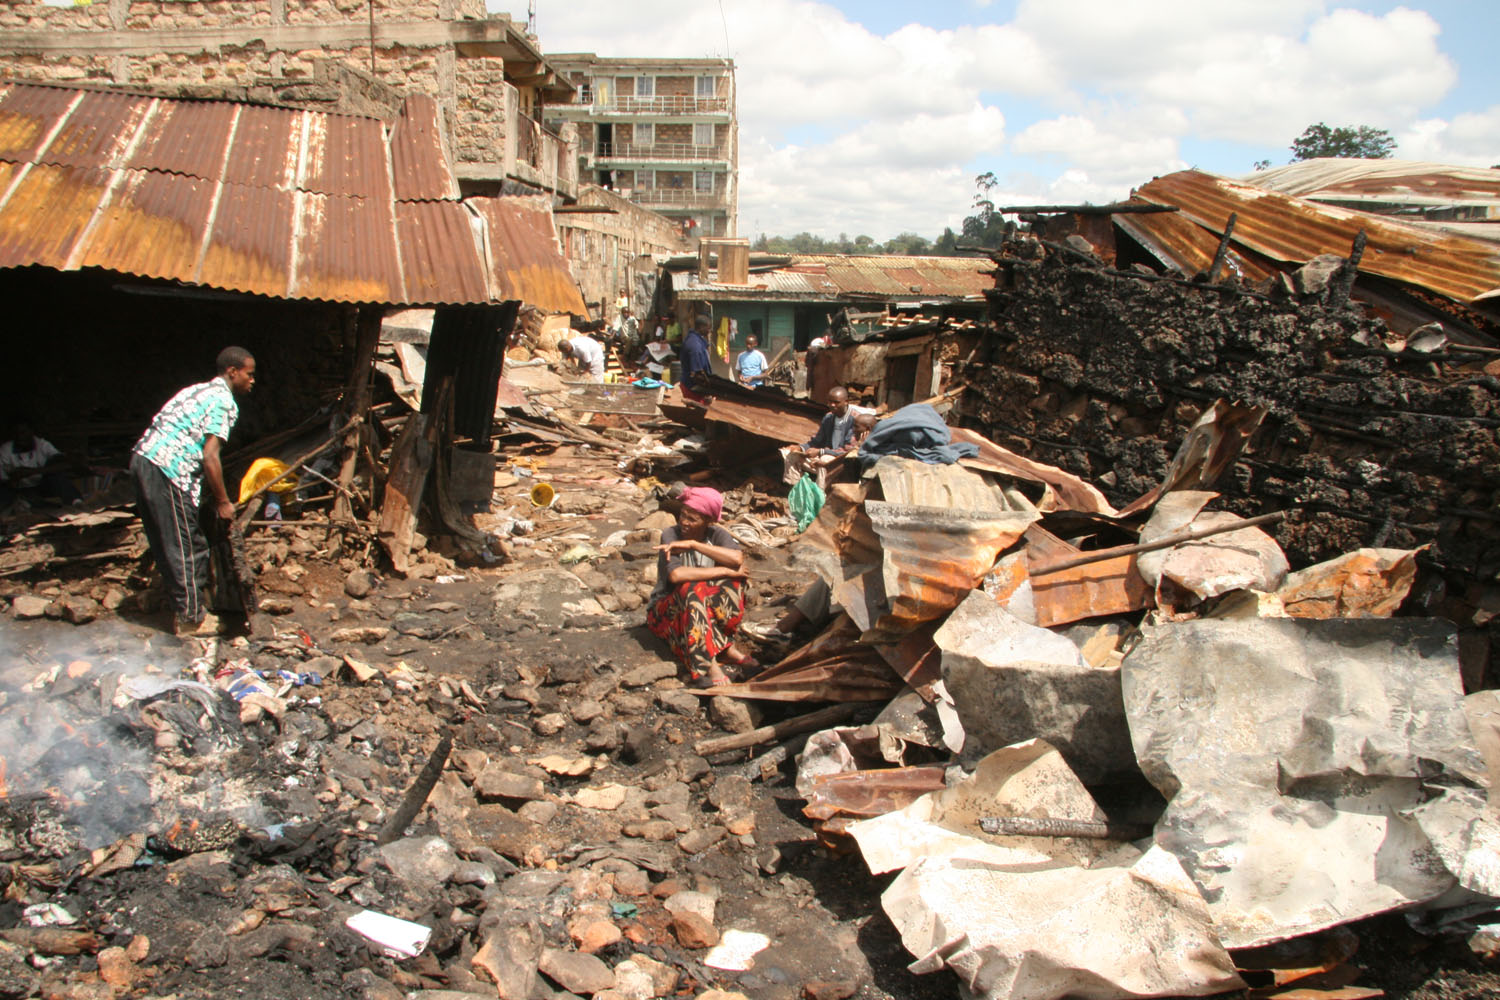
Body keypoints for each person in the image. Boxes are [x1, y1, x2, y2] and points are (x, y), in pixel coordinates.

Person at [131, 346, 256, 637]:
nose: (252, 381)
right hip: (170, 469)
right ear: (232, 372)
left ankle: (182, 607)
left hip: (143, 460)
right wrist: (224, 502)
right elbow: (210, 456)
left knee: (166, 542)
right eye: (249, 375)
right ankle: (191, 619)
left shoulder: (195, 391)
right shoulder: (225, 402)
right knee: (188, 545)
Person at [646, 487, 757, 688]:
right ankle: (709, 663)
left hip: (702, 608)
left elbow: (737, 559)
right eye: (683, 515)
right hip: (666, 611)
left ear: (708, 521)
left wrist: (694, 545)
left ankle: (725, 646)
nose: (684, 522)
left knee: (734, 584)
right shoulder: (670, 534)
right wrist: (727, 571)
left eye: (692, 519)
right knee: (691, 588)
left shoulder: (716, 534)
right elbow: (676, 575)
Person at [0, 420, 81, 509]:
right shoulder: (6, 449)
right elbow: (5, 480)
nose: (20, 436)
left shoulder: (42, 444)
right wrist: (15, 477)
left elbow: (64, 464)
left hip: (42, 486)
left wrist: (32, 472)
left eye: (23, 432)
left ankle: (77, 502)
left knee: (57, 477)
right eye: (16, 433)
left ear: (31, 432)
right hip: (20, 490)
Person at [679, 316, 713, 402]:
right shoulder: (695, 346)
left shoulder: (693, 339)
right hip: (694, 388)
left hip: (690, 385)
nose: (709, 331)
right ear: (701, 327)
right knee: (699, 412)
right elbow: (697, 373)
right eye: (708, 328)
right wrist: (707, 392)